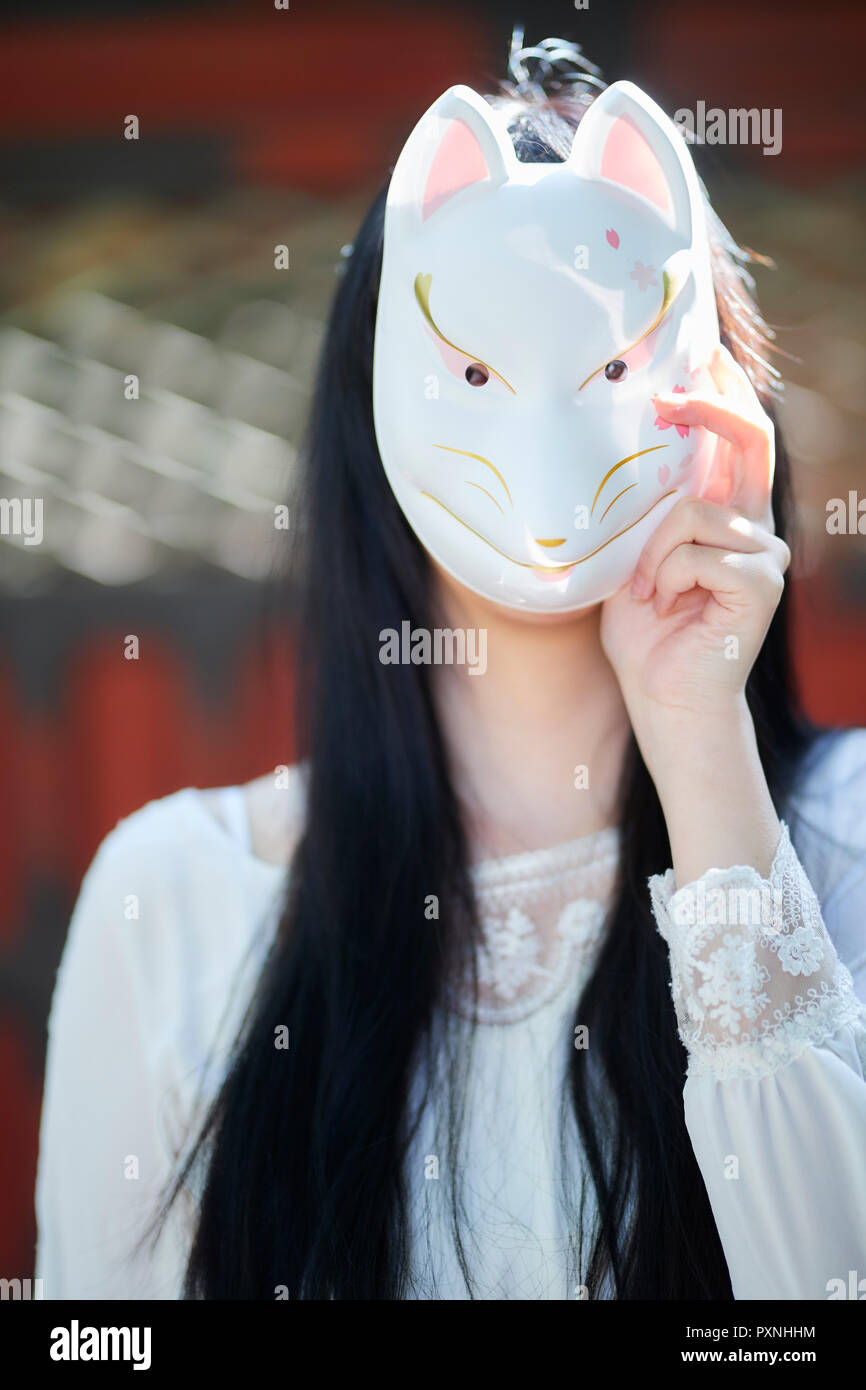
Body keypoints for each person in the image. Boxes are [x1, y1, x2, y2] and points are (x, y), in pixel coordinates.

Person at [34, 37, 866, 1301]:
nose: (542, 439)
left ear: (709, 395)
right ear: (378, 393)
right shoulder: (178, 903)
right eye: (475, 371)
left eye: (606, 368)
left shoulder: (845, 842)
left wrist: (697, 737)